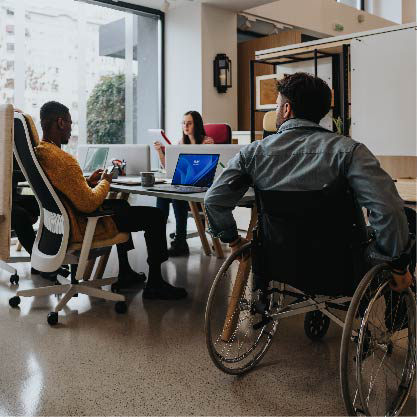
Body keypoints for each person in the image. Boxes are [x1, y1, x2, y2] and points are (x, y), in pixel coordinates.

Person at [204, 72, 413, 293]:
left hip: (277, 262)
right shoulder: (349, 151)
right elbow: (387, 209)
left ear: (286, 109)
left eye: (277, 106)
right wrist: (396, 264)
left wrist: (234, 241)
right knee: (408, 220)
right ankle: (396, 302)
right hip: (341, 265)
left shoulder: (252, 154)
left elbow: (214, 200)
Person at [35, 101, 187, 300]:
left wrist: (87, 181)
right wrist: (106, 181)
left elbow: (63, 189)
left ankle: (125, 272)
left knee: (122, 204)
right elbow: (89, 204)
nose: (71, 130)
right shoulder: (64, 160)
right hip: (83, 223)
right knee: (156, 216)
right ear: (61, 122)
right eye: (71, 124)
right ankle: (156, 283)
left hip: (63, 222)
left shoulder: (42, 152)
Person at [153, 110, 214, 256]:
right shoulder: (180, 144)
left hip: (202, 188)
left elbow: (206, 170)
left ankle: (181, 242)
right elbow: (170, 168)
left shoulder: (207, 142)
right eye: (183, 123)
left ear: (196, 125)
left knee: (177, 196)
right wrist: (160, 152)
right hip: (185, 186)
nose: (185, 126)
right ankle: (159, 242)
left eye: (189, 123)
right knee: (162, 195)